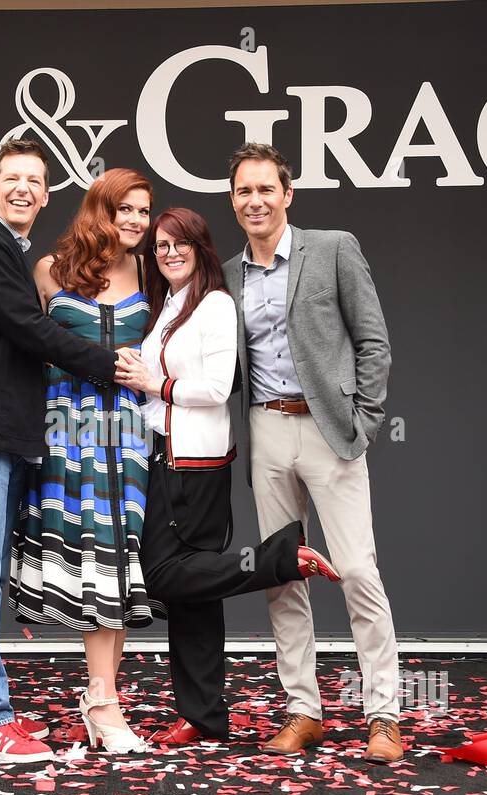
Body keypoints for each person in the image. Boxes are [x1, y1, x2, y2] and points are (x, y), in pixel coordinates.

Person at [0, 139, 122, 764]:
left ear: (46, 192)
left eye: (35, 181)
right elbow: (30, 330)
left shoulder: (7, 252)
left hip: (0, 439)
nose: (23, 189)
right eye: (12, 178)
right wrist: (109, 363)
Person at [113, 207, 339, 744]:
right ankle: (203, 715)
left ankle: (283, 557)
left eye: (180, 243)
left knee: (168, 576)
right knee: (192, 592)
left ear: (201, 248)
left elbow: (218, 387)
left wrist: (153, 381)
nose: (168, 252)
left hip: (198, 463)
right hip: (162, 456)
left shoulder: (214, 304)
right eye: (161, 245)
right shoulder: (167, 304)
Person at [222, 142, 403, 762]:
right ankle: (304, 712)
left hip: (330, 431)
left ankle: (383, 715)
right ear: (233, 200)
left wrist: (364, 422)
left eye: (265, 189)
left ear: (287, 194)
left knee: (356, 570)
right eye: (244, 191)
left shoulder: (332, 249)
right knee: (282, 577)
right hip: (265, 432)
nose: (255, 201)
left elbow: (374, 341)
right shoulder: (227, 275)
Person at [9, 169, 156, 754]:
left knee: (118, 567)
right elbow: (22, 349)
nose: (137, 222)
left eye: (145, 211)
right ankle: (103, 705)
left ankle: (102, 701)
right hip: (67, 434)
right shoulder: (50, 270)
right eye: (126, 209)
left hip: (128, 435)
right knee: (95, 561)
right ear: (99, 208)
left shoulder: (149, 272)